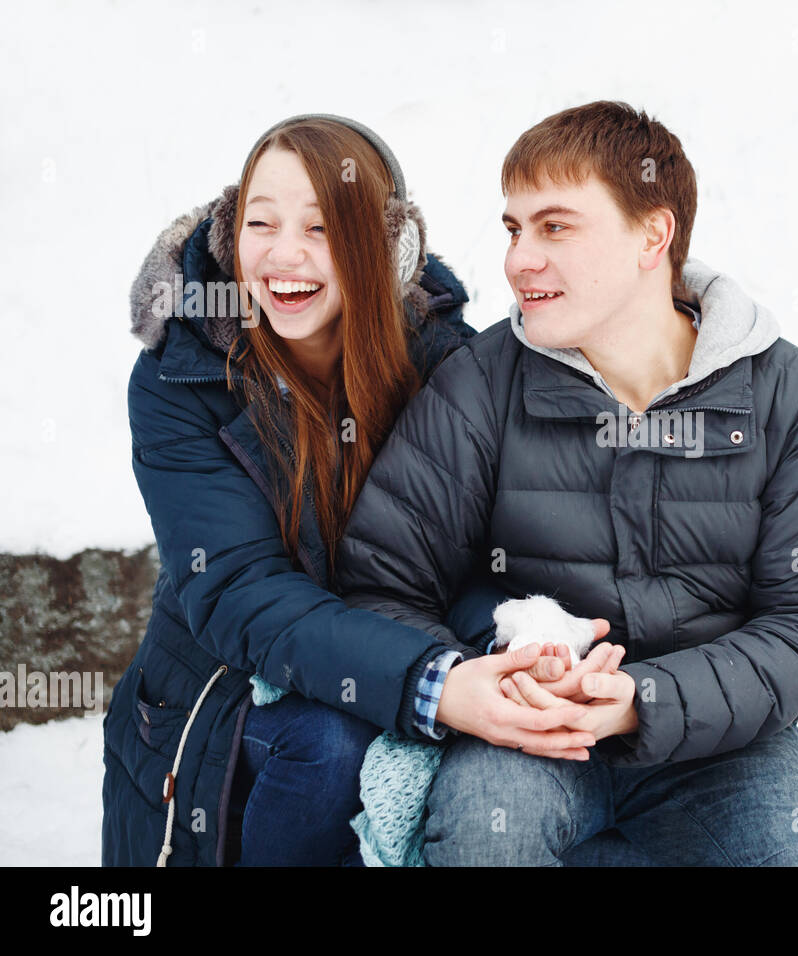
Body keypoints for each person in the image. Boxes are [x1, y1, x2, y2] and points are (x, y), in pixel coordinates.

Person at [336, 101, 798, 866]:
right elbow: (382, 585)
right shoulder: (480, 385)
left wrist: (643, 701)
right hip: (525, 734)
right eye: (514, 230)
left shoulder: (788, 396)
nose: (520, 260)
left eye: (555, 227)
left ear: (653, 235)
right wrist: (479, 675)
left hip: (721, 742)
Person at [102, 114, 603, 866]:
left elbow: (461, 560)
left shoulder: (444, 365)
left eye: (320, 228)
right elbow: (242, 592)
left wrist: (518, 638)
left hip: (389, 647)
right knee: (332, 744)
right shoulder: (185, 373)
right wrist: (436, 683)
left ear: (383, 246)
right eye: (259, 223)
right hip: (223, 692)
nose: (282, 254)